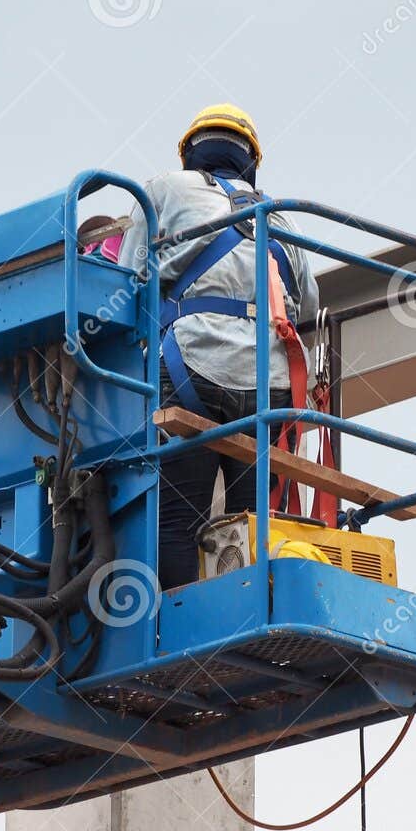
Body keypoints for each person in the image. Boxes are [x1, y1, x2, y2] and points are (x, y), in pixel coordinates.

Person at [116, 103, 319, 589]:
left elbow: (124, 278)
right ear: (251, 159)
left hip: (190, 369)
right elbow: (308, 301)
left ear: (191, 154)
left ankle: (173, 634)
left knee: (176, 518)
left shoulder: (162, 189)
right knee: (249, 524)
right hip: (268, 388)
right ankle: (247, 620)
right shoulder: (283, 216)